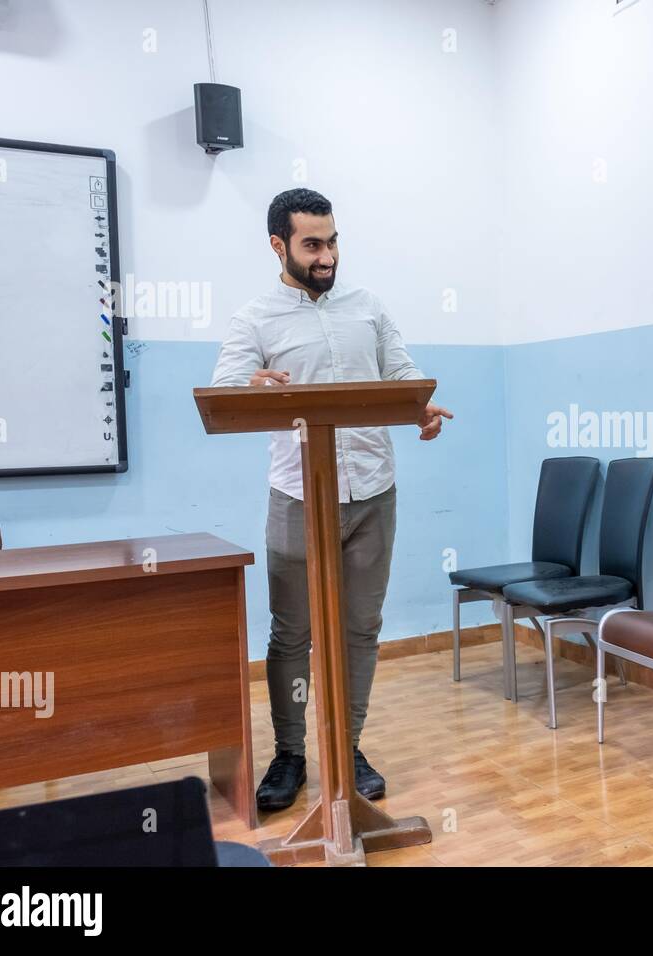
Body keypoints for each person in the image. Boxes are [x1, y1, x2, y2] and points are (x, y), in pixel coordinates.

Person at [210, 188, 452, 812]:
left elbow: (400, 375)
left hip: (373, 490)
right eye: (312, 244)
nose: (326, 255)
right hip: (297, 494)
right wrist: (250, 385)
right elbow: (224, 390)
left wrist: (418, 407)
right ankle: (290, 753)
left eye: (333, 241)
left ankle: (347, 745)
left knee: (360, 628)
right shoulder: (255, 318)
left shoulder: (368, 307)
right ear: (278, 245)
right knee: (291, 633)